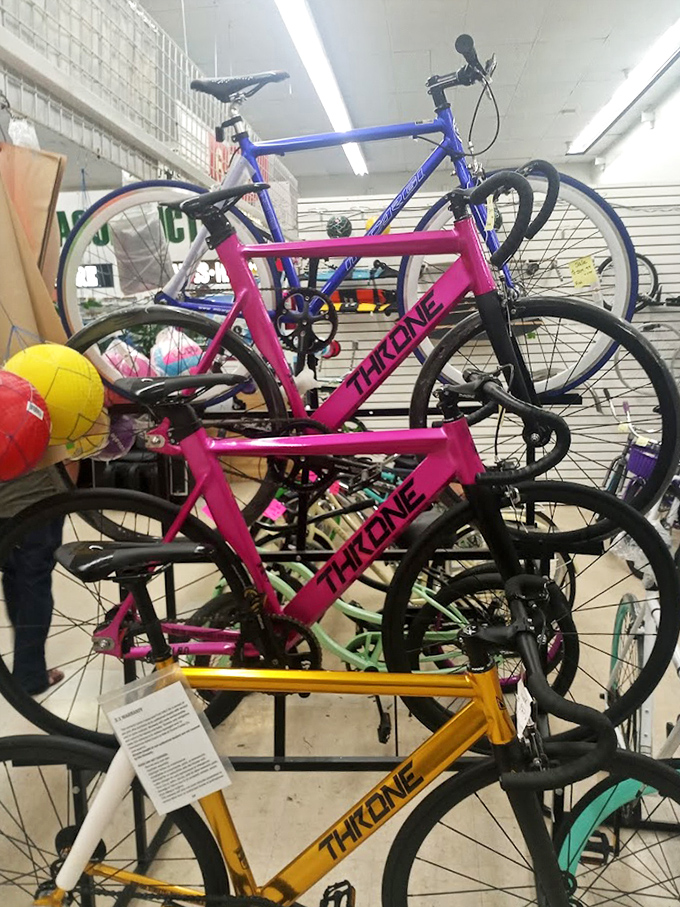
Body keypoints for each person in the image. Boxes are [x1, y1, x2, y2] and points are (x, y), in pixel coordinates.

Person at [0, 465, 68, 695]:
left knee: (13, 575)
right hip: (34, 495)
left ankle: (27, 669)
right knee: (33, 581)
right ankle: (29, 675)